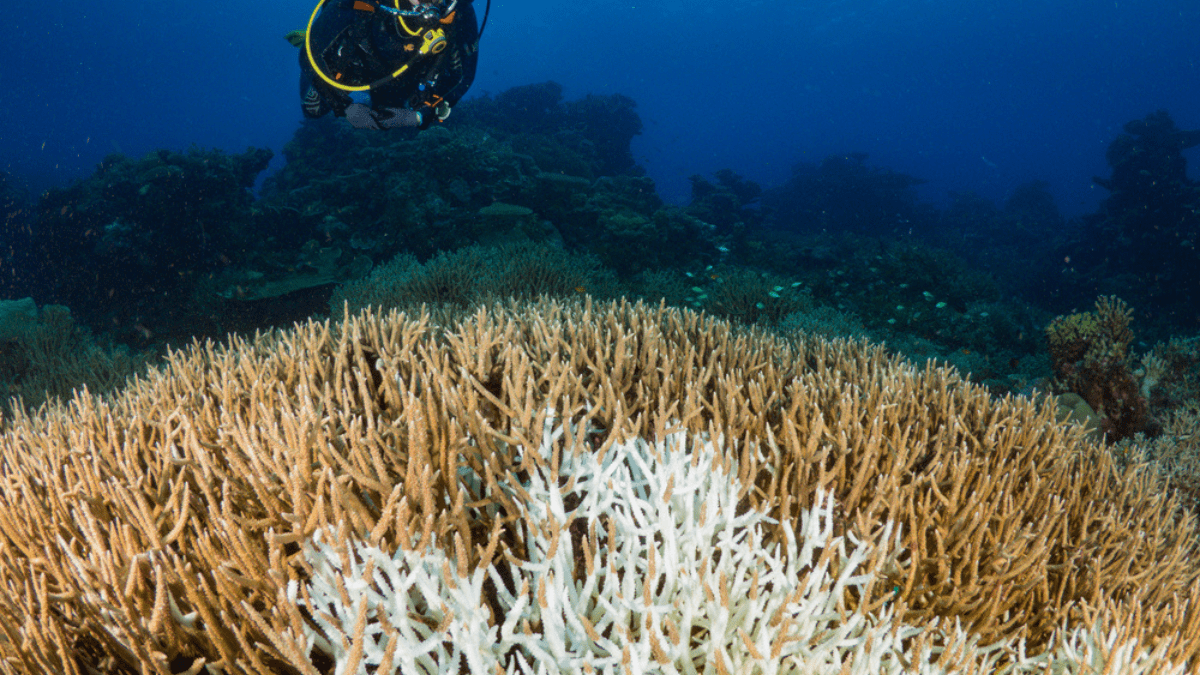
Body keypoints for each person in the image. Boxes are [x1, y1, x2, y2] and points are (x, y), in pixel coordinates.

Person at [289, 0, 483, 130]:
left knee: (389, 112)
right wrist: (344, 107)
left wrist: (421, 115)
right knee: (313, 110)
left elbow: (465, 76)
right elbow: (308, 55)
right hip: (354, 65)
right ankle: (322, 42)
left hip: (404, 75)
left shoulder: (459, 11)